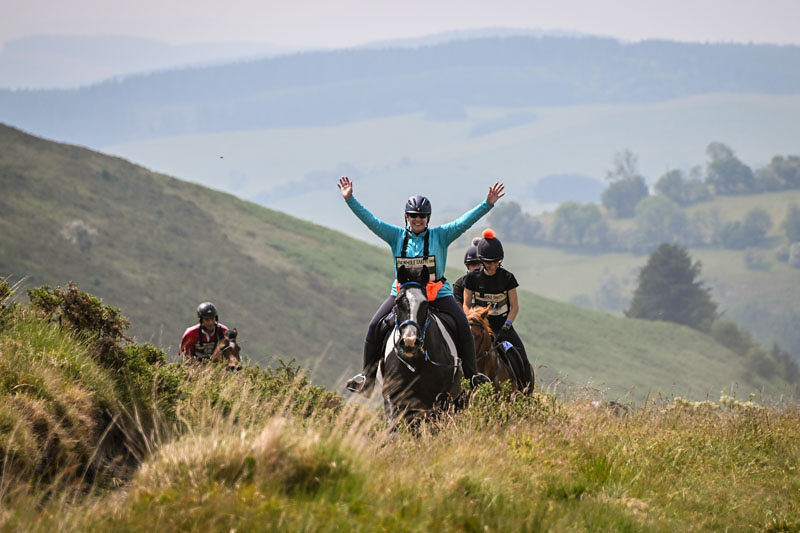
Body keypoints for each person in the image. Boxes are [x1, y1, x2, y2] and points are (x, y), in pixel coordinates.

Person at [338, 176, 504, 395]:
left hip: (437, 295)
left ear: (428, 218)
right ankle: (367, 379)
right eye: (414, 216)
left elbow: (464, 222)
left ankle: (472, 376)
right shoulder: (395, 236)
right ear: (406, 217)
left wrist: (487, 204)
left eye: (422, 216)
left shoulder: (441, 235)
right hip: (403, 296)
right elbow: (372, 222)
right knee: (374, 325)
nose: (418, 220)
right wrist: (350, 200)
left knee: (463, 326)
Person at [462, 228, 534, 390]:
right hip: (479, 325)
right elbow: (466, 304)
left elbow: (514, 307)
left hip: (502, 324)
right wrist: (471, 320)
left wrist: (507, 325)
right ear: (481, 261)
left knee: (520, 354)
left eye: (496, 262)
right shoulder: (472, 279)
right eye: (489, 262)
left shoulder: (507, 278)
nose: (493, 265)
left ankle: (525, 388)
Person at [453, 237, 483, 306]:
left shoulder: (493, 281)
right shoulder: (459, 285)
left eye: (480, 264)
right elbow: (459, 311)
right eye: (473, 264)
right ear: (467, 266)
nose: (477, 268)